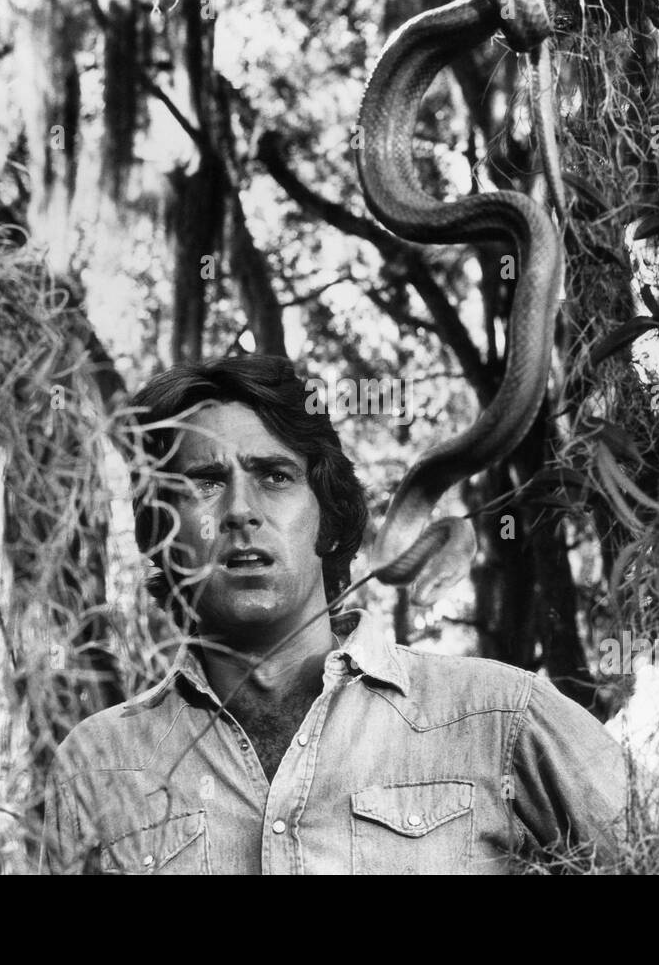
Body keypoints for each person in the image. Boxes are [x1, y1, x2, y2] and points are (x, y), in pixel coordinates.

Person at [40, 354, 626, 874]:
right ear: (163, 534)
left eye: (275, 476)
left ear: (328, 518)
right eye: (207, 482)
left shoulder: (499, 717)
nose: (241, 511)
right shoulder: (98, 763)